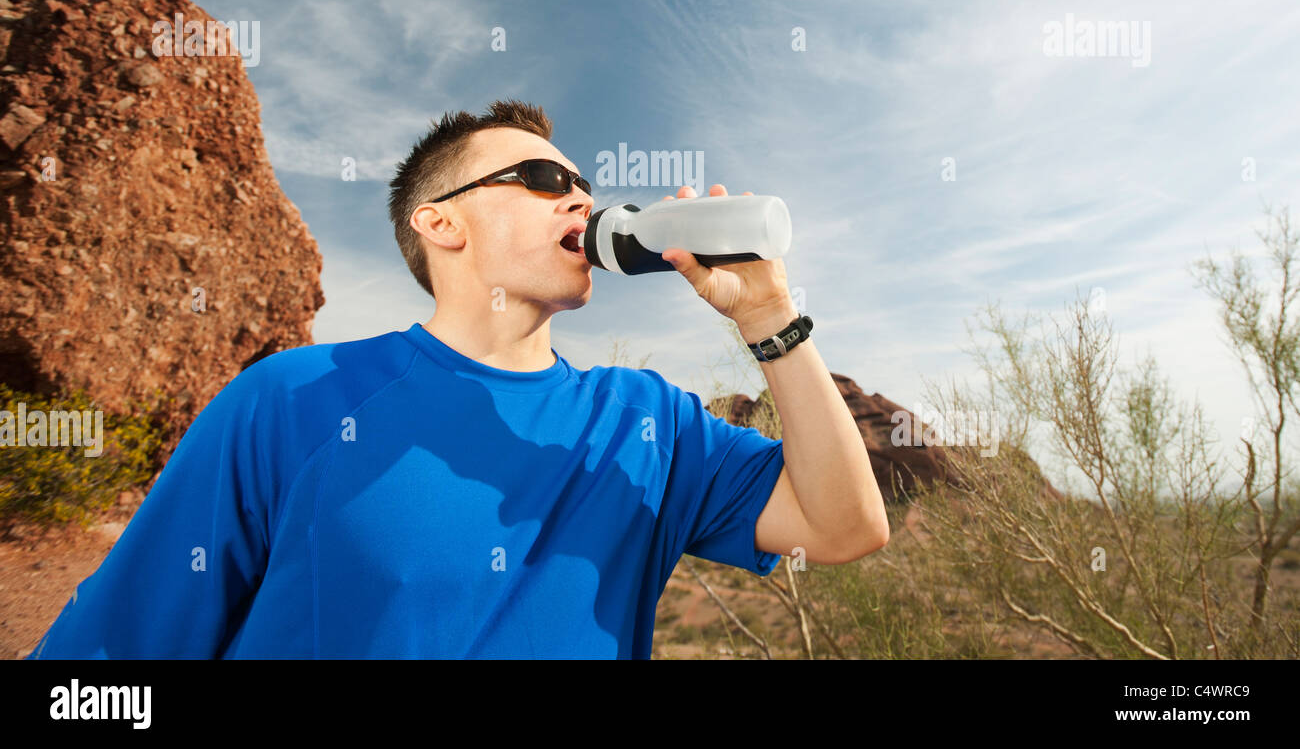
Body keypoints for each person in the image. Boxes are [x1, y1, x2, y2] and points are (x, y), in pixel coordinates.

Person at [27, 99, 887, 659]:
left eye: (584, 185)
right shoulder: (293, 399)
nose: (579, 201)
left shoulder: (646, 423)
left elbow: (844, 528)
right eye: (545, 180)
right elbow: (112, 662)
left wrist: (770, 320)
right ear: (438, 223)